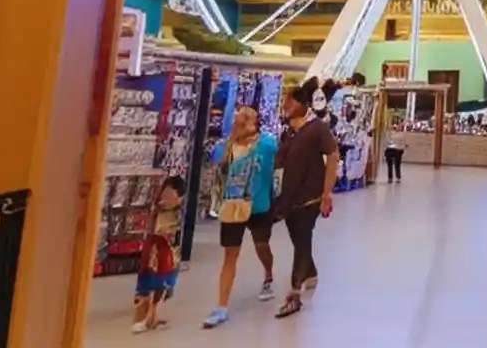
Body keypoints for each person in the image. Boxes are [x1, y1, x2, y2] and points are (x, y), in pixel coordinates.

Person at [202, 106, 278, 329]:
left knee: (261, 244)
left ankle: (268, 275)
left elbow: (279, 158)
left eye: (247, 118)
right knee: (230, 255)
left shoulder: (267, 144)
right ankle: (222, 306)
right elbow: (214, 162)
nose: (242, 122)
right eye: (239, 119)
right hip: (232, 206)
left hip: (259, 205)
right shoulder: (226, 146)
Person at [274, 77, 339, 318]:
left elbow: (333, 156)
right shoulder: (289, 133)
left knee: (302, 241)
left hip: (309, 198)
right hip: (289, 199)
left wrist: (326, 193)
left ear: (302, 103)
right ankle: (310, 273)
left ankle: (294, 294)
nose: (284, 106)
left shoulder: (318, 129)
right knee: (298, 238)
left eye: (288, 102)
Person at [132, 176, 184, 333]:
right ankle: (145, 317)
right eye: (165, 192)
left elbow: (173, 233)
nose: (166, 196)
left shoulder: (177, 211)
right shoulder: (157, 209)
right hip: (156, 249)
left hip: (167, 251)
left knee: (162, 282)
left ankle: (151, 315)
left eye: (171, 192)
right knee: (149, 281)